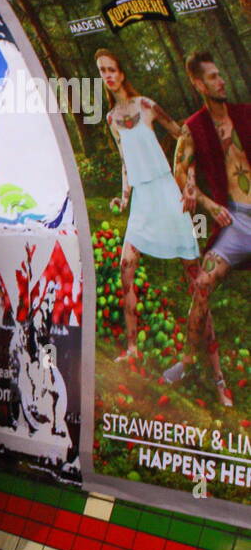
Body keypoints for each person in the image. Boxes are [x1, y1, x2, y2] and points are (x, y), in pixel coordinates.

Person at [96, 48, 198, 363]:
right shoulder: (112, 119)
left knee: (191, 270)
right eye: (102, 71)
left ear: (122, 73)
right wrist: (124, 196)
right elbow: (125, 161)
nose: (108, 76)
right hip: (140, 198)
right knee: (126, 267)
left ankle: (197, 350)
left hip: (166, 190)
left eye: (112, 69)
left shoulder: (147, 106)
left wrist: (190, 181)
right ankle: (132, 349)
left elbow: (184, 135)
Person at [162, 51, 251, 405]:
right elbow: (180, 174)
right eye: (212, 77)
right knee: (202, 286)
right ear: (198, 83)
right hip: (236, 221)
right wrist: (210, 204)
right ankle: (186, 361)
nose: (221, 80)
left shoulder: (244, 115)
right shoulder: (193, 128)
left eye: (220, 75)